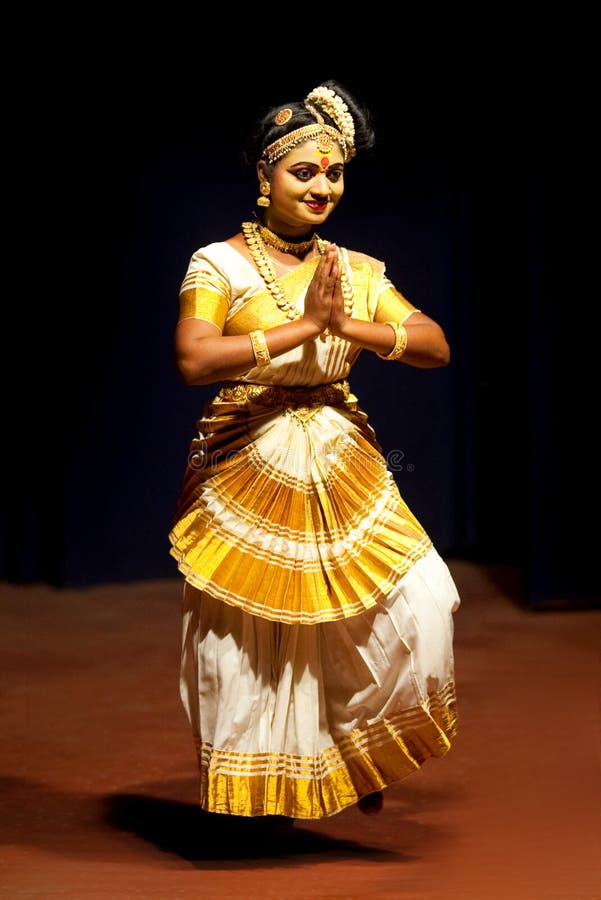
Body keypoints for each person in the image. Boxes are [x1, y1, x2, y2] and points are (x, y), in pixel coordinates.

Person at [169, 80, 461, 824]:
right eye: (303, 172)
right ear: (264, 181)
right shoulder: (218, 264)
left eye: (333, 173)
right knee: (251, 636)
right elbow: (195, 359)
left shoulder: (355, 270)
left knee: (421, 604)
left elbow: (433, 344)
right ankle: (252, 801)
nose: (322, 186)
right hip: (247, 455)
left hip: (341, 454)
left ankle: (360, 745)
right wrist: (302, 328)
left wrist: (348, 327)